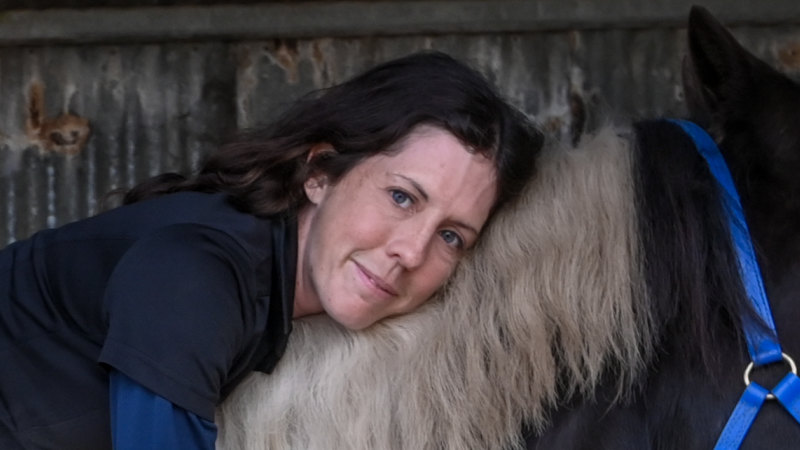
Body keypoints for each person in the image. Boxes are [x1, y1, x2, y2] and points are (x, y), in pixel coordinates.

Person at [0, 51, 543, 449]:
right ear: (320, 173)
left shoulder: (267, 280)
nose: (411, 251)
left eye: (451, 236)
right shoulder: (198, 274)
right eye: (402, 197)